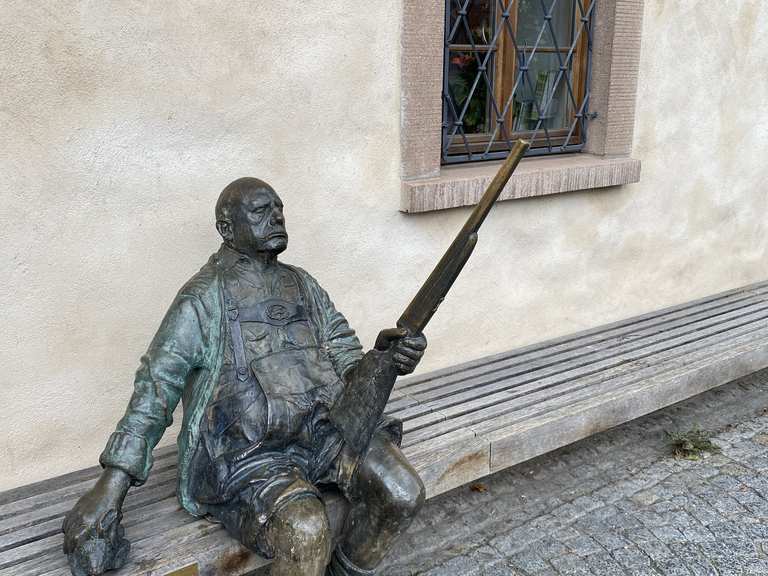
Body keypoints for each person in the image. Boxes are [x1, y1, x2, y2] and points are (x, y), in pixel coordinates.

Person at [62, 177, 427, 576]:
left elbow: (346, 357)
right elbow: (156, 385)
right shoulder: (203, 297)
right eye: (260, 211)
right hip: (246, 456)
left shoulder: (303, 284)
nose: (276, 217)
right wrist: (112, 485)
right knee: (305, 531)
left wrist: (386, 362)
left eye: (279, 209)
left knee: (402, 490)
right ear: (226, 228)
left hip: (325, 433)